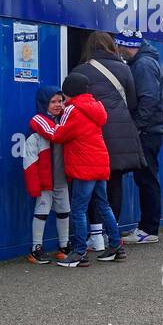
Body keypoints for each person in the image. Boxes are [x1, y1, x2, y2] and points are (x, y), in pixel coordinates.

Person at [72, 32, 143, 247]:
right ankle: (111, 234)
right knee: (115, 184)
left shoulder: (80, 70)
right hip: (121, 136)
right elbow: (132, 102)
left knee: (91, 187)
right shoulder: (124, 69)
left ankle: (94, 236)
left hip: (93, 137)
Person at [52, 73, 125, 267]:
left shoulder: (72, 109)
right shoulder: (96, 107)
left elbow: (59, 135)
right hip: (100, 163)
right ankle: (117, 247)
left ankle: (79, 253)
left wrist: (49, 122)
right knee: (103, 205)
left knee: (78, 209)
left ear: (68, 92)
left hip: (84, 166)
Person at [116, 29, 163, 243]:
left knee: (147, 179)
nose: (118, 51)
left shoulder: (143, 65)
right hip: (151, 129)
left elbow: (148, 99)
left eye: (119, 47)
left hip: (148, 131)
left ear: (127, 45)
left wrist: (135, 126)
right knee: (147, 178)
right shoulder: (144, 62)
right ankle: (148, 227)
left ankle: (148, 229)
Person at [22, 85, 70, 263]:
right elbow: (29, 160)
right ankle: (36, 248)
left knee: (64, 211)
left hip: (62, 179)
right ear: (44, 103)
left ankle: (64, 246)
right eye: (53, 102)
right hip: (45, 181)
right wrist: (34, 185)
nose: (57, 105)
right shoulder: (37, 125)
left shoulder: (64, 121)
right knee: (41, 212)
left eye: (60, 101)